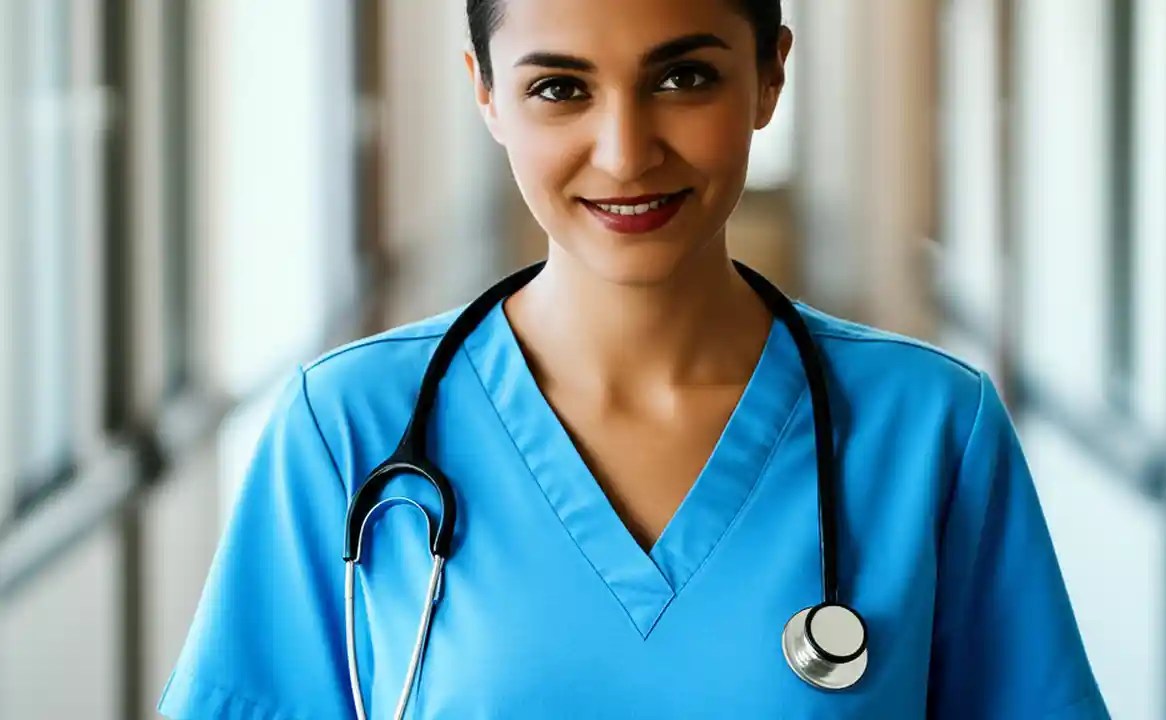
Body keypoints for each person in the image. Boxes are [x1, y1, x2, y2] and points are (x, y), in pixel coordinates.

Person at [158, 0, 1109, 717]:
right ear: (487, 93)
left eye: (683, 78)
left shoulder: (929, 429)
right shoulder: (346, 427)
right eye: (559, 88)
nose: (624, 153)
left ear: (771, 75)